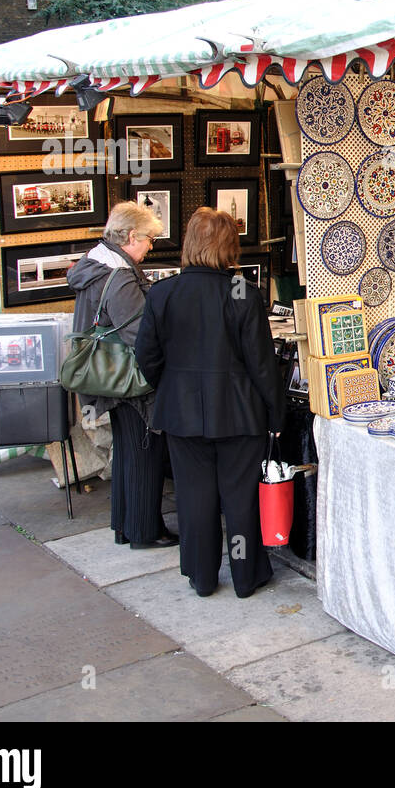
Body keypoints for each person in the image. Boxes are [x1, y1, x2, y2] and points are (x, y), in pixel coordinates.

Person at [134, 207, 285, 598]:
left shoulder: (163, 292)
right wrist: (276, 412)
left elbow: (147, 356)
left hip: (181, 413)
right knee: (239, 498)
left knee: (194, 497)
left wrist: (170, 387)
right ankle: (245, 576)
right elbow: (261, 364)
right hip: (239, 413)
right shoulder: (242, 292)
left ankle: (201, 576)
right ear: (228, 246)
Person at [66, 201, 176, 549]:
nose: (150, 246)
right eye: (148, 239)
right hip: (130, 381)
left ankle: (126, 525)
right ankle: (145, 531)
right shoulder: (120, 276)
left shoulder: (96, 264)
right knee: (145, 451)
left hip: (109, 377)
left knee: (128, 452)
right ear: (131, 236)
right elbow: (139, 336)